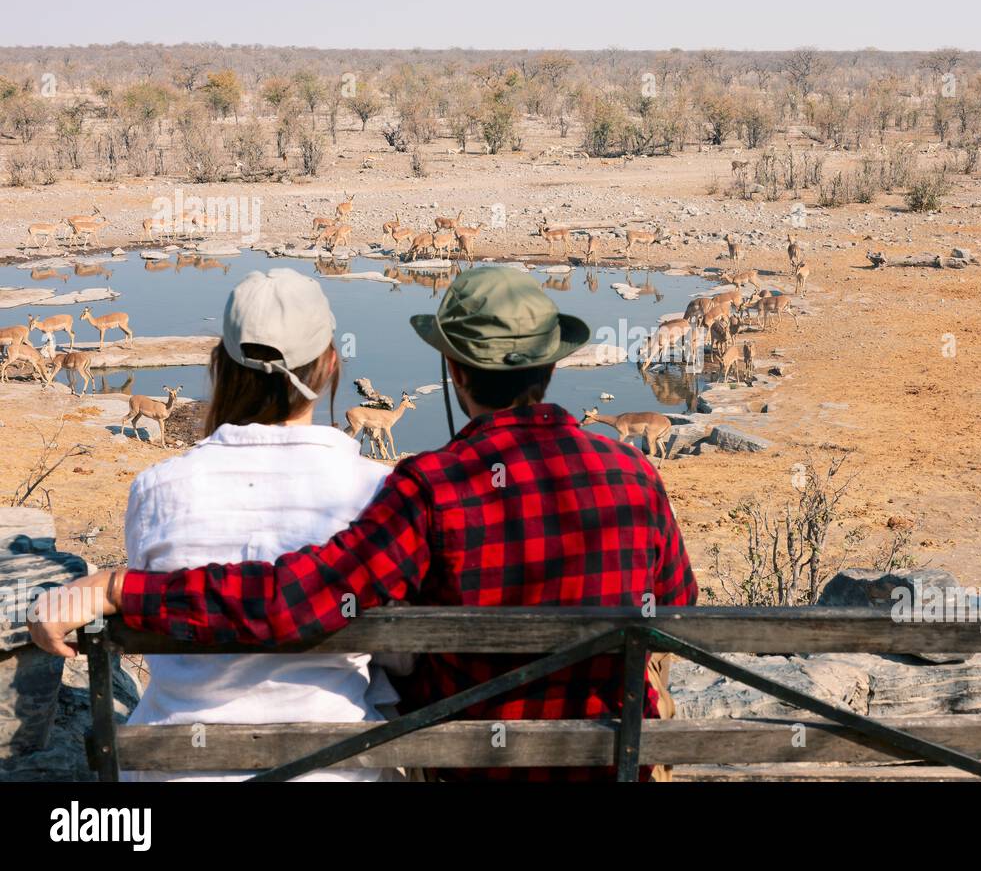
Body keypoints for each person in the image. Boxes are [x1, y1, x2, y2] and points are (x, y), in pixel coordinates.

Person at [33, 266, 697, 781]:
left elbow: (291, 601)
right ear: (552, 367)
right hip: (611, 759)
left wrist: (124, 588)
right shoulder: (635, 475)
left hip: (473, 766)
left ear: (458, 374)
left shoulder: (429, 487)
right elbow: (678, 609)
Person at [117, 268, 399, 781]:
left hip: (179, 771)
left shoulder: (158, 489)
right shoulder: (377, 495)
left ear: (220, 364)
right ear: (330, 365)